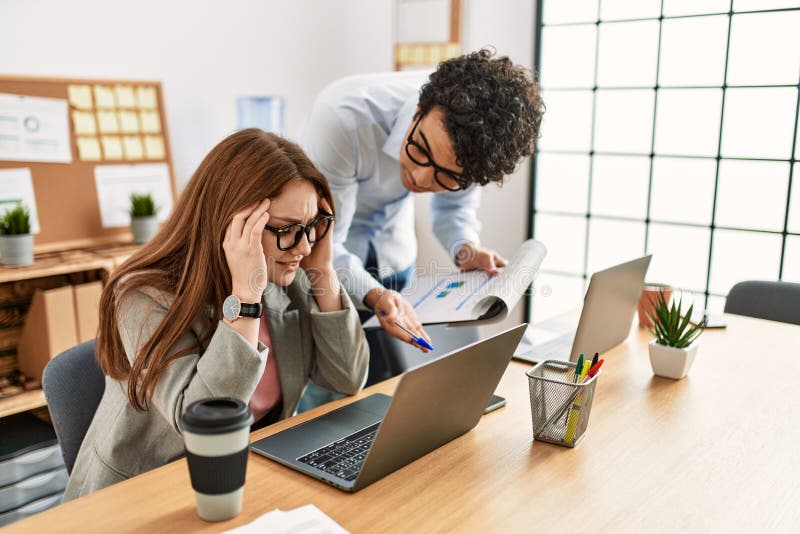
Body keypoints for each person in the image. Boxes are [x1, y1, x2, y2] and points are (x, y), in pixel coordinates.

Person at [64, 129, 369, 500]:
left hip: (244, 477)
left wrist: (323, 269)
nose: (303, 246)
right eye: (287, 229)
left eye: (312, 227)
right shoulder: (142, 296)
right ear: (230, 223)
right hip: (143, 493)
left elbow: (347, 377)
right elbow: (203, 420)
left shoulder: (288, 274)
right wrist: (245, 298)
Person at [301, 49, 543, 383]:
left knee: (393, 379)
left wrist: (466, 249)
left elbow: (454, 209)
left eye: (447, 176)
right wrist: (375, 295)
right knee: (331, 382)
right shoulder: (343, 119)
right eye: (421, 150)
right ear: (419, 110)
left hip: (393, 256)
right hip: (323, 256)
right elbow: (324, 246)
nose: (420, 178)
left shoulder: (476, 144)